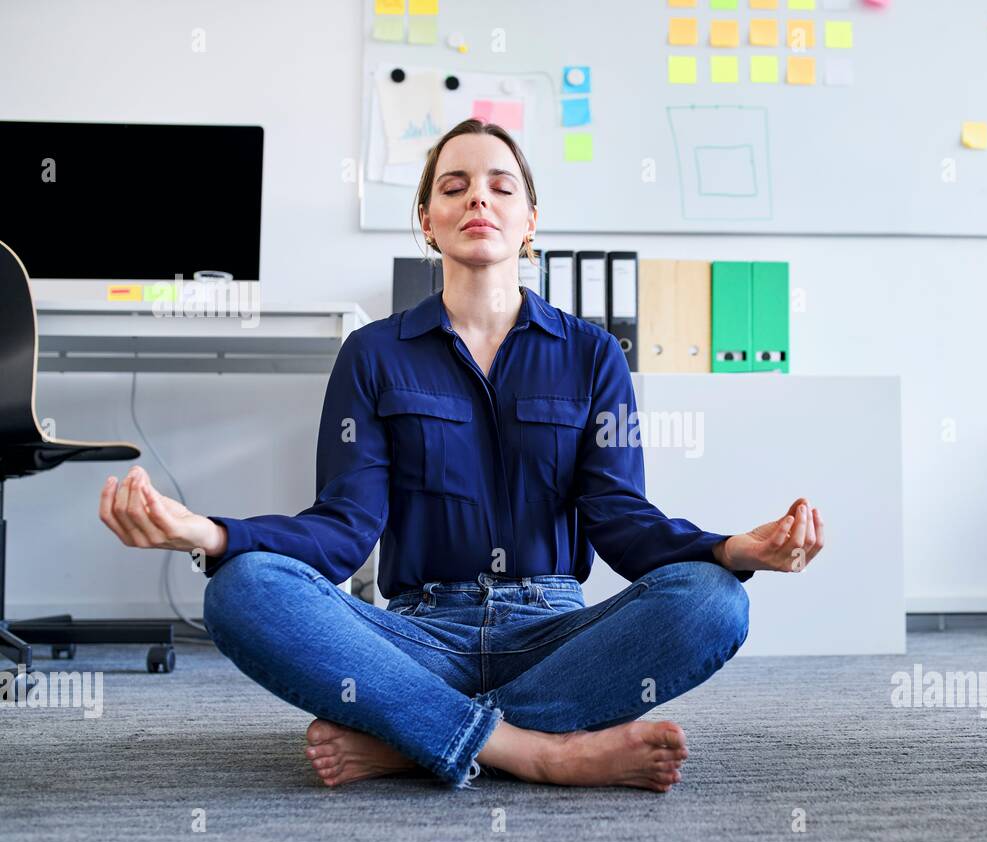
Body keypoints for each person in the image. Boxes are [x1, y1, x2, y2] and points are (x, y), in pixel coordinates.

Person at [99, 118, 825, 793]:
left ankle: (414, 736)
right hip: (416, 631)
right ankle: (538, 750)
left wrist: (733, 548)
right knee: (241, 587)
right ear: (427, 221)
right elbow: (343, 528)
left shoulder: (594, 354)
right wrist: (212, 535)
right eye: (454, 186)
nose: (479, 195)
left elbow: (622, 520)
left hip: (553, 632)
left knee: (713, 601)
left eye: (502, 185)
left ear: (530, 221)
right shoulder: (373, 354)